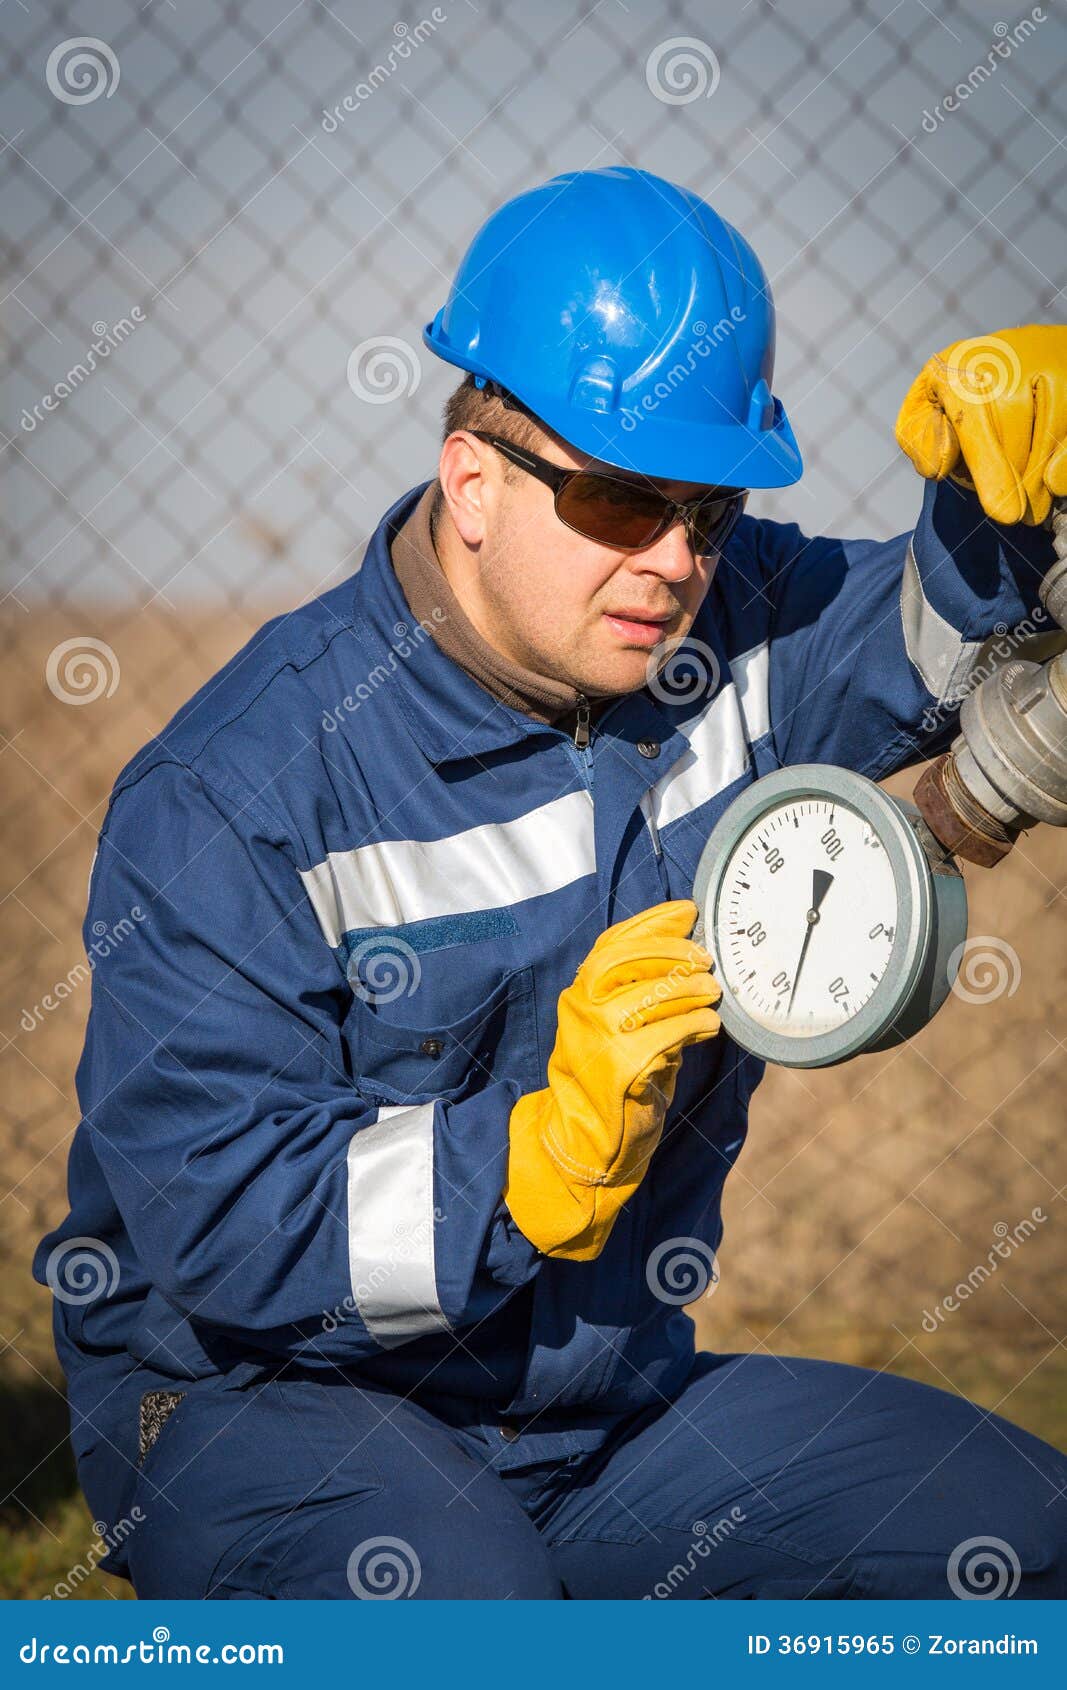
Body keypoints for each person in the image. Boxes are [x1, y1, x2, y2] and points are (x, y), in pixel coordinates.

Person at [35, 166, 1067, 1599]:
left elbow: (924, 639)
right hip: (252, 1403)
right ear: (472, 480)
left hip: (591, 1408)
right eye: (620, 500)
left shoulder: (729, 627)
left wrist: (1013, 496)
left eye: (707, 513)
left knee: (1021, 1535)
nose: (675, 563)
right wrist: (519, 1166)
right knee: (476, 1615)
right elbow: (217, 1216)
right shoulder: (242, 786)